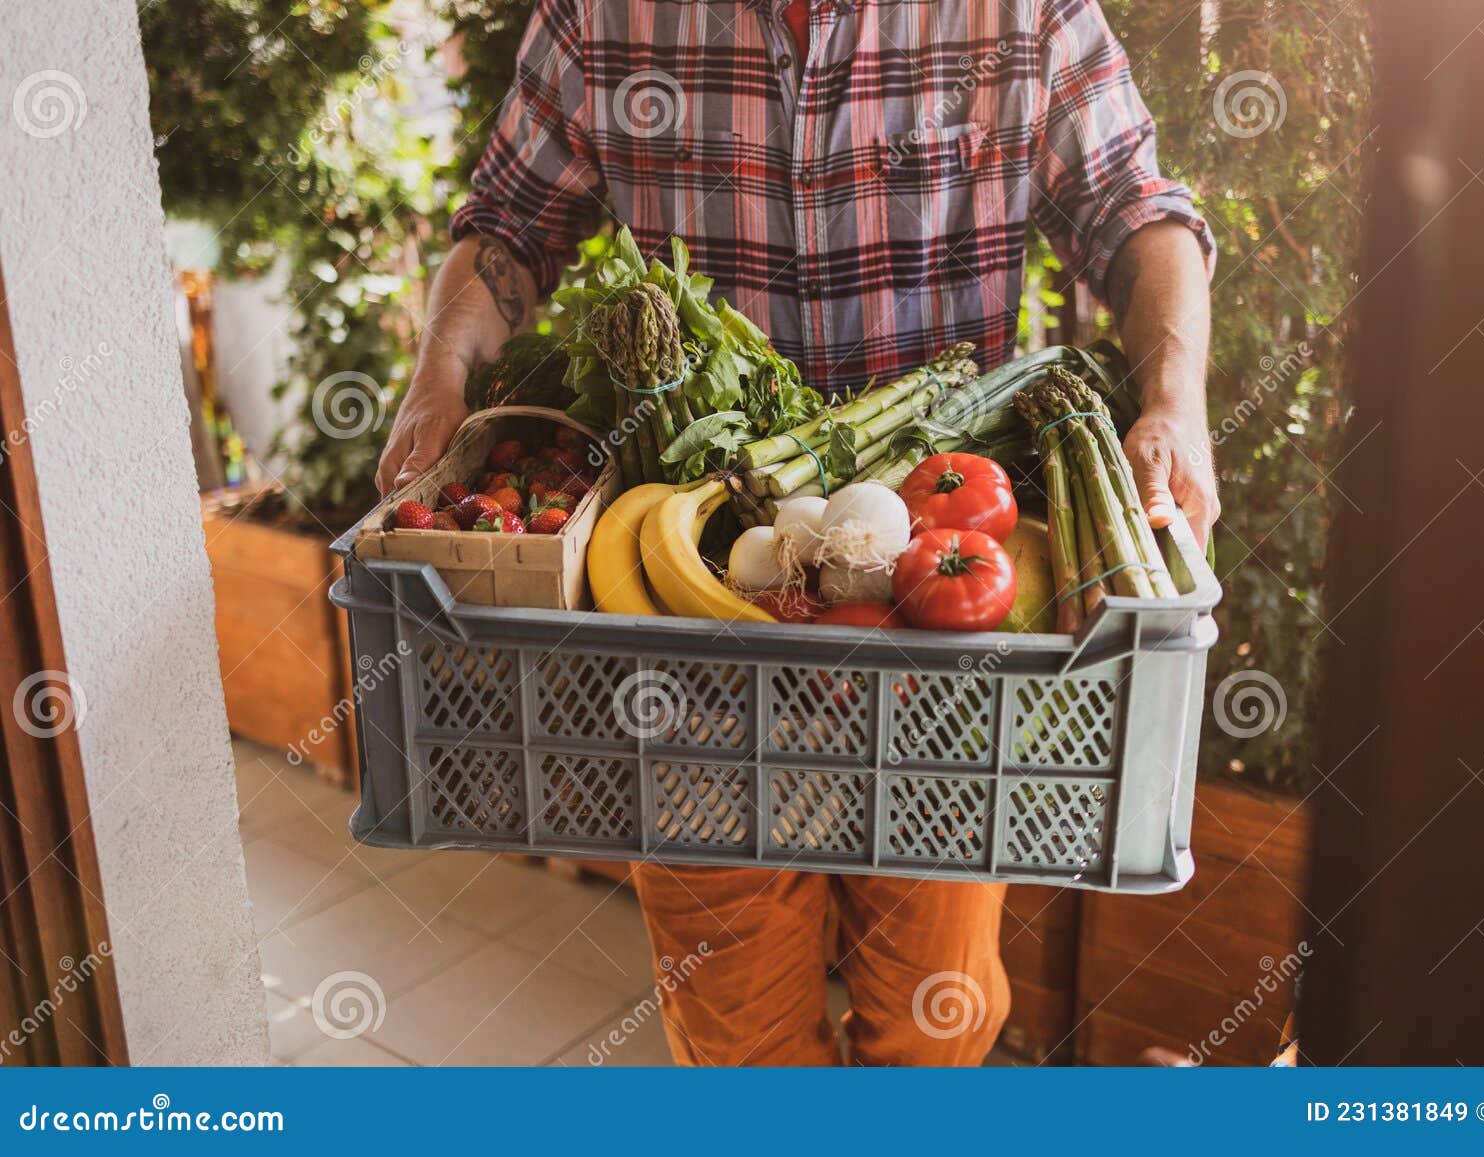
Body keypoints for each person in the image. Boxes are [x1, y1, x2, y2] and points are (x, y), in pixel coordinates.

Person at [376, 0, 1218, 1065]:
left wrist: (1176, 400)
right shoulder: (602, 15)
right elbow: (510, 221)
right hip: (694, 629)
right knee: (735, 1040)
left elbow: (1134, 208)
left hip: (937, 631)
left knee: (932, 1022)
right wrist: (438, 372)